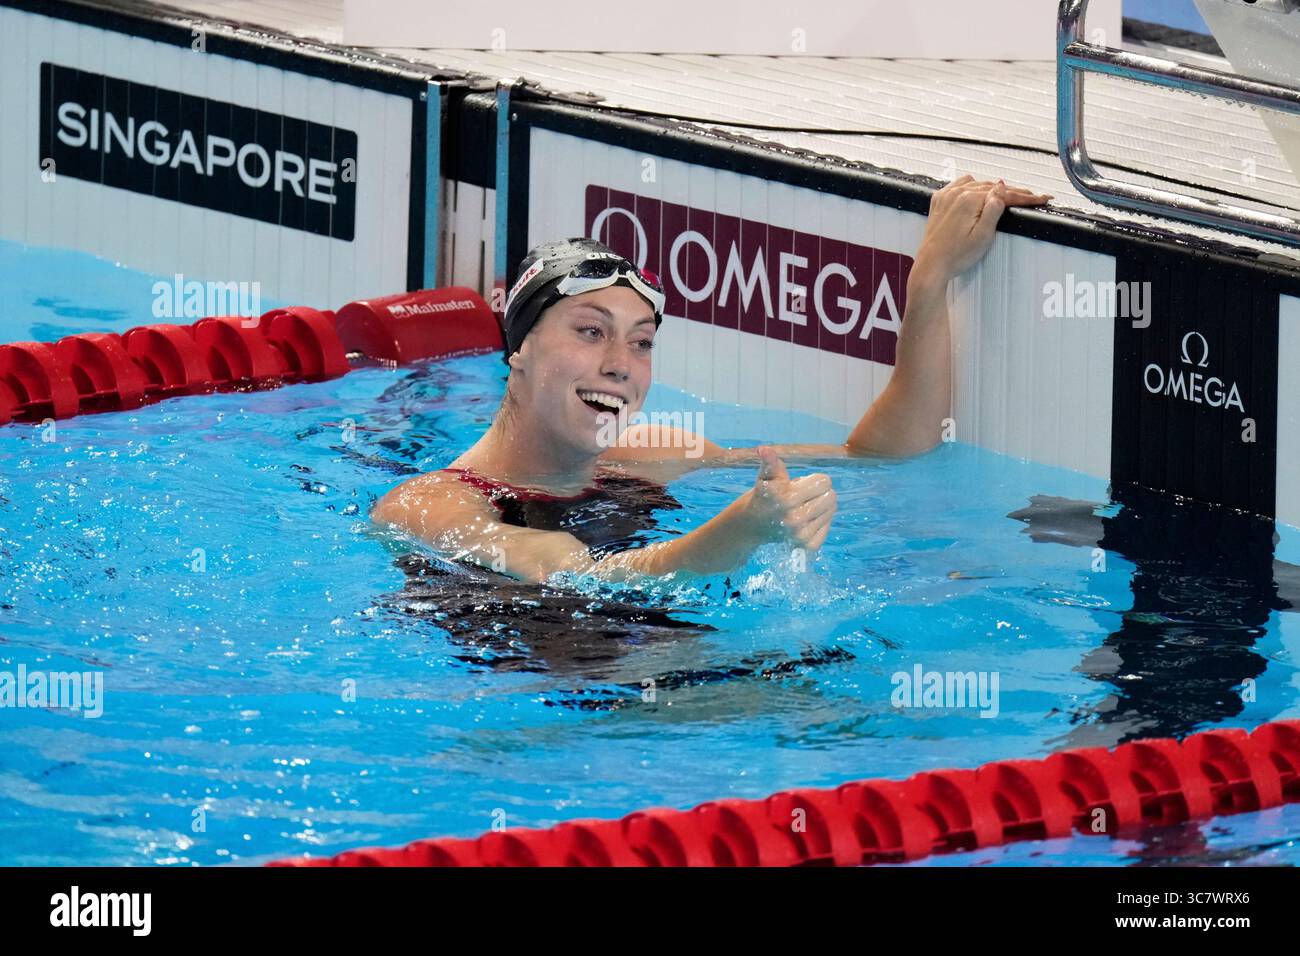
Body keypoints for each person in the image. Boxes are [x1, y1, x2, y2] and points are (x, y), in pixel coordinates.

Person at [372, 176, 1050, 584]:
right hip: (557, 720)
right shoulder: (427, 504)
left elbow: (889, 455)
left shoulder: (652, 456)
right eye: (589, 330)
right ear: (517, 351)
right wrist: (739, 533)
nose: (619, 362)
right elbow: (568, 572)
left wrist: (930, 279)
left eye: (641, 343)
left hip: (664, 681)